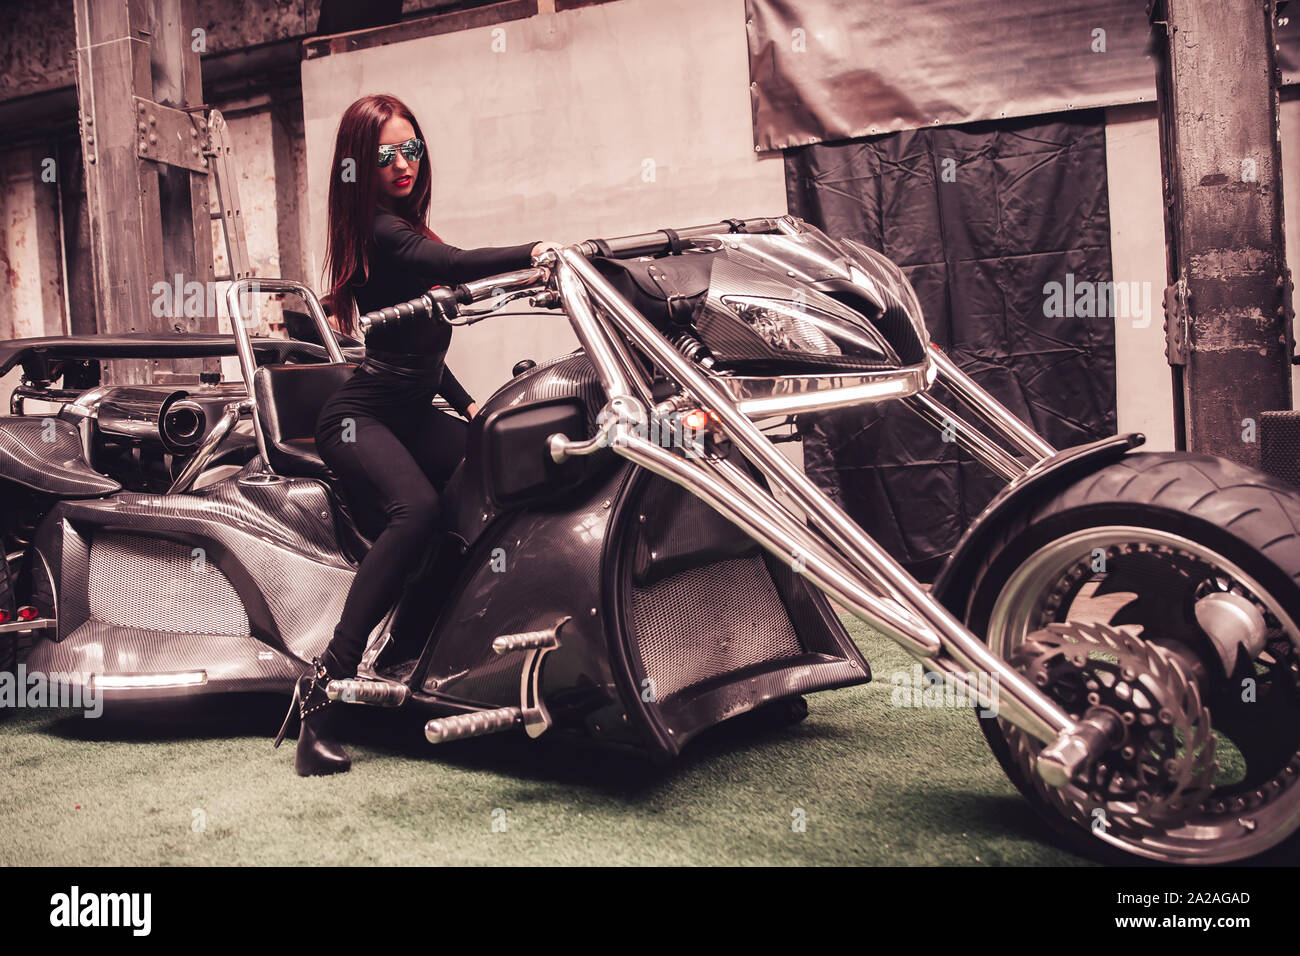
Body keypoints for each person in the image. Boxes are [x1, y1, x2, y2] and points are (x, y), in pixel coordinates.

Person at [274, 92, 561, 775]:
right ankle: (323, 691)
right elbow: (459, 263)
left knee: (496, 470)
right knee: (419, 512)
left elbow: (424, 349)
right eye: (385, 155)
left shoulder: (410, 233)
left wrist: (465, 405)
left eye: (412, 150)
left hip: (409, 410)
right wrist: (537, 250)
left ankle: (410, 646)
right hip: (356, 415)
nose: (403, 164)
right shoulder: (382, 233)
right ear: (359, 168)